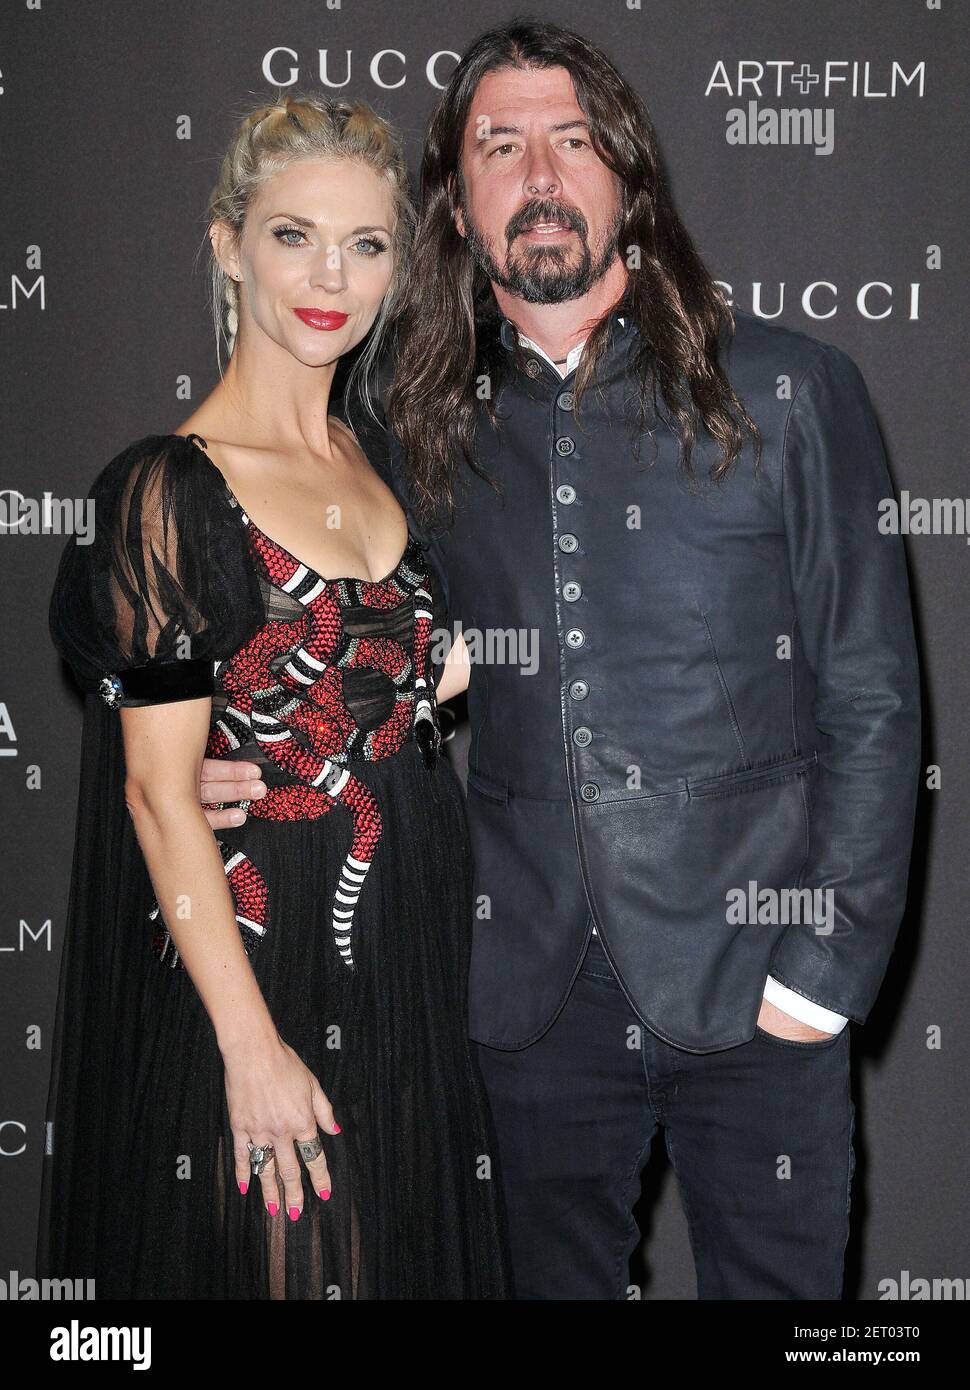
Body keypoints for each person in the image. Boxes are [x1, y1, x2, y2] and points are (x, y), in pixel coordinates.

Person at [197, 22, 922, 1300]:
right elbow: (345, 632)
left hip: (759, 983)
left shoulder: (793, 390)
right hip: (521, 997)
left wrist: (822, 973)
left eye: (571, 141)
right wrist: (231, 746)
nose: (539, 173)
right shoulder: (408, 420)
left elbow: (871, 695)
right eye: (498, 146)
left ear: (628, 179)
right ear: (459, 208)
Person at [37, 93, 511, 1300]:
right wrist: (249, 1050)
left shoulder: (383, 457)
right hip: (262, 960)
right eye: (294, 235)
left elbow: (423, 685)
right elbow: (156, 798)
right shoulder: (167, 490)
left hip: (405, 952)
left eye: (366, 245)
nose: (329, 278)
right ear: (226, 242)